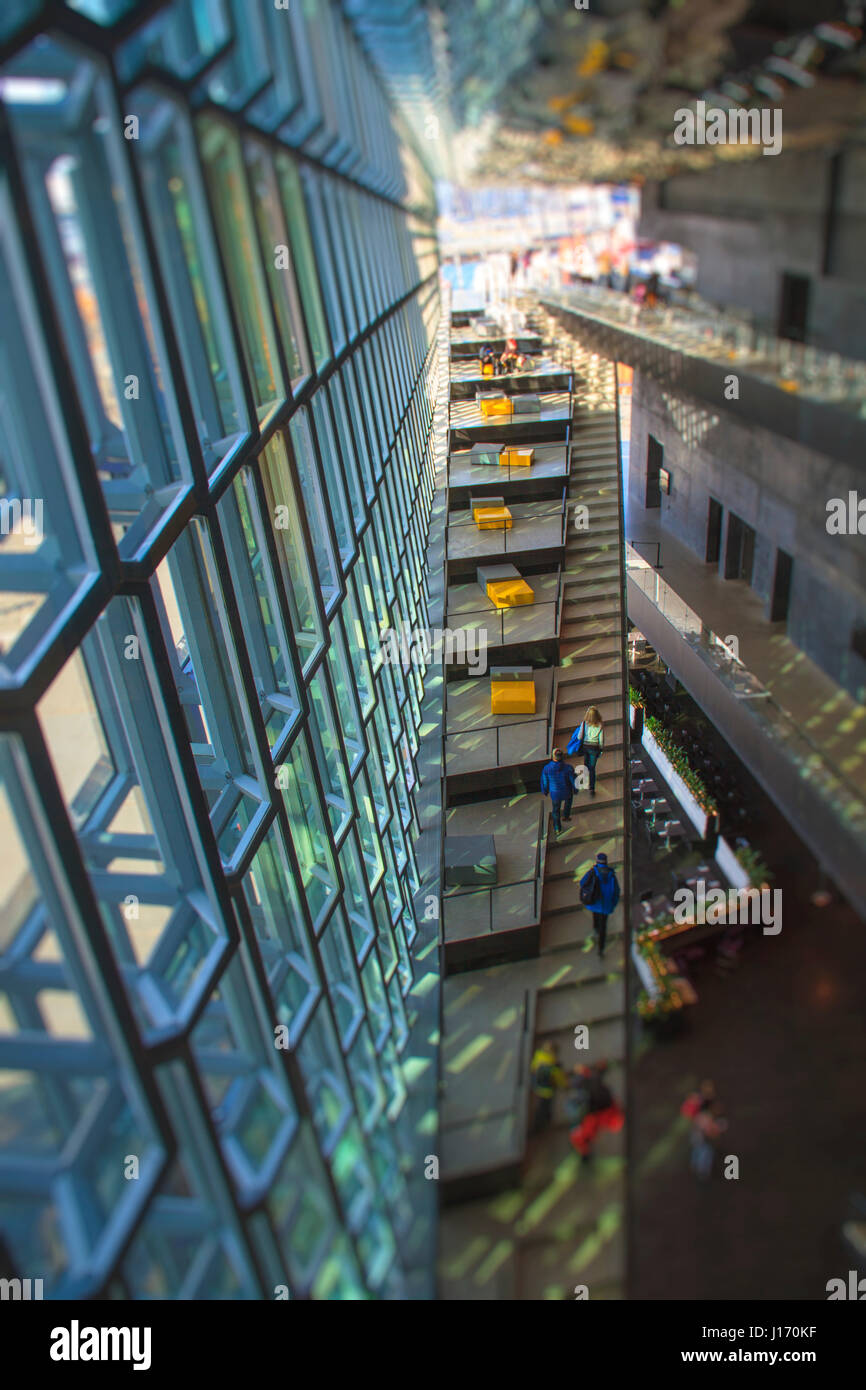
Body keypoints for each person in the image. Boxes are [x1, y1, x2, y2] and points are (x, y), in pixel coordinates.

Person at [569, 1061, 624, 1160]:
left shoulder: (585, 1134)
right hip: (600, 1107)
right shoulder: (584, 1135)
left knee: (593, 1086)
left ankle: (596, 1069)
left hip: (600, 1107)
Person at [579, 851, 620, 957]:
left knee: (595, 914)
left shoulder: (593, 872)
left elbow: (582, 882)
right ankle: (601, 949)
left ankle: (595, 928)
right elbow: (616, 891)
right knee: (604, 926)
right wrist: (613, 903)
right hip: (606, 905)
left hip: (594, 902)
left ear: (597, 861)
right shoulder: (611, 875)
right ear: (606, 862)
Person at [529, 1039, 566, 1133]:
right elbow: (560, 1080)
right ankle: (542, 1123)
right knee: (545, 1107)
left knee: (541, 1107)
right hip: (547, 1091)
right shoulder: (553, 1067)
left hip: (537, 1086)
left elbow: (533, 1068)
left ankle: (541, 1123)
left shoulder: (538, 1056)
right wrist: (565, 1085)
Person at [567, 706, 604, 796]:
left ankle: (585, 781)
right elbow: (601, 740)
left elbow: (579, 737)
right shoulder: (600, 725)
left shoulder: (584, 723)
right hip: (595, 748)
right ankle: (591, 788)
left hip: (586, 747)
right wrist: (601, 750)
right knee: (592, 768)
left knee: (586, 765)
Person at [540, 748, 577, 836]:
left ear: (553, 757)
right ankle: (566, 816)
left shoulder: (547, 768)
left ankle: (557, 828)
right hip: (567, 791)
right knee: (568, 803)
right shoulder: (568, 767)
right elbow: (573, 780)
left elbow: (545, 781)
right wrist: (575, 789)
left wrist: (545, 790)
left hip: (555, 793)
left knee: (556, 810)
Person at [690, 1099, 727, 1181]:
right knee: (702, 1153)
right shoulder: (706, 1116)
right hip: (700, 1139)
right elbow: (705, 1128)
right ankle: (700, 1172)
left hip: (702, 1139)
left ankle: (700, 1172)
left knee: (703, 1153)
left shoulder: (710, 1117)